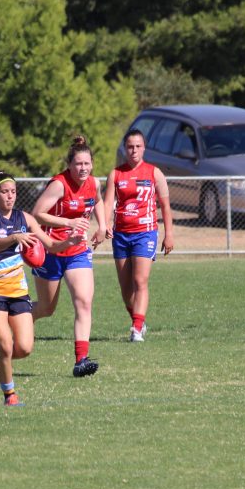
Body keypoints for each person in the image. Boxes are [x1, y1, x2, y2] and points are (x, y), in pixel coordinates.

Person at [0, 171, 78, 406]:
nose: (9, 196)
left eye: (13, 191)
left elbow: (50, 244)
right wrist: (15, 238)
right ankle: (10, 395)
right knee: (4, 344)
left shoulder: (25, 219)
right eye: (4, 192)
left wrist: (69, 242)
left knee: (23, 348)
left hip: (17, 291)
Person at [31, 135, 108, 377]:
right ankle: (13, 322)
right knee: (46, 308)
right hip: (52, 249)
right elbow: (36, 213)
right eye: (78, 164)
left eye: (87, 164)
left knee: (84, 302)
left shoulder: (93, 182)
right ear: (70, 165)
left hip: (78, 251)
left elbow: (97, 201)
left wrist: (103, 226)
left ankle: (81, 360)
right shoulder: (59, 184)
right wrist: (68, 221)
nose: (83, 168)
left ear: (92, 164)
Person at [103, 129, 174, 342]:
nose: (134, 150)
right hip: (121, 235)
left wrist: (169, 234)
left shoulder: (154, 173)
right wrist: (104, 224)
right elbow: (108, 203)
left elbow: (165, 206)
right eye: (130, 147)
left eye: (138, 146)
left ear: (144, 148)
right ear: (125, 149)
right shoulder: (116, 174)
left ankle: (136, 329)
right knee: (126, 289)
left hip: (145, 233)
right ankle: (139, 320)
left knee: (139, 280)